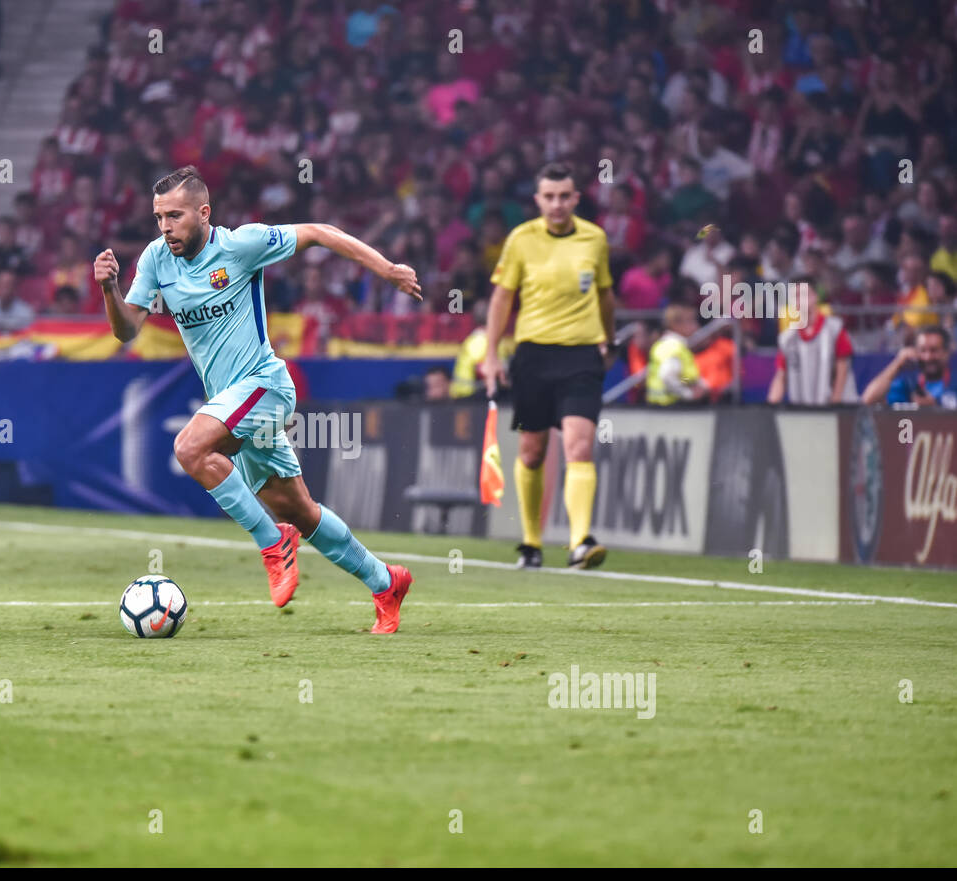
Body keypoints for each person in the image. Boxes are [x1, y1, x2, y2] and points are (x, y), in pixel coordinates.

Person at [94, 166, 418, 633]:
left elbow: (319, 233)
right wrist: (110, 289)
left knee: (190, 448)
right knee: (300, 511)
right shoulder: (156, 259)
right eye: (159, 217)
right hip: (234, 404)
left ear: (204, 213)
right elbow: (127, 330)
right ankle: (385, 581)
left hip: (265, 385)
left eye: (176, 216)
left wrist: (386, 269)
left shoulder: (241, 246)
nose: (165, 227)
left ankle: (271, 542)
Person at [482, 162, 614, 571]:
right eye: (549, 197)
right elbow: (502, 299)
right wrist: (490, 355)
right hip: (533, 356)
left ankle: (579, 541)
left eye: (564, 196)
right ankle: (531, 542)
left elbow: (606, 296)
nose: (557, 204)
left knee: (578, 445)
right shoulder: (521, 239)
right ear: (538, 200)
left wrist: (607, 338)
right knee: (532, 451)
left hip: (581, 355)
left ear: (576, 198)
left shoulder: (595, 239)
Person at [767, 295, 855, 406]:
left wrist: (835, 405)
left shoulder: (834, 328)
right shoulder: (788, 338)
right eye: (796, 296)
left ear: (815, 297)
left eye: (803, 294)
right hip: (803, 411)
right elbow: (781, 376)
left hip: (837, 410)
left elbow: (842, 370)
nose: (799, 300)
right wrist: (770, 407)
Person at [861, 325, 956, 408]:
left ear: (946, 352)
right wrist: (897, 364)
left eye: (934, 350)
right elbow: (868, 400)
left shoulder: (953, 382)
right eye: (922, 350)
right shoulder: (908, 383)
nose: (928, 357)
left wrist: (935, 407)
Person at [646, 305, 707, 405]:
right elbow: (668, 377)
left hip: (667, 408)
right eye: (691, 321)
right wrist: (689, 394)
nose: (696, 326)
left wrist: (697, 384)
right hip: (670, 409)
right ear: (675, 324)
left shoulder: (675, 345)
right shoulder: (672, 346)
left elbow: (681, 378)